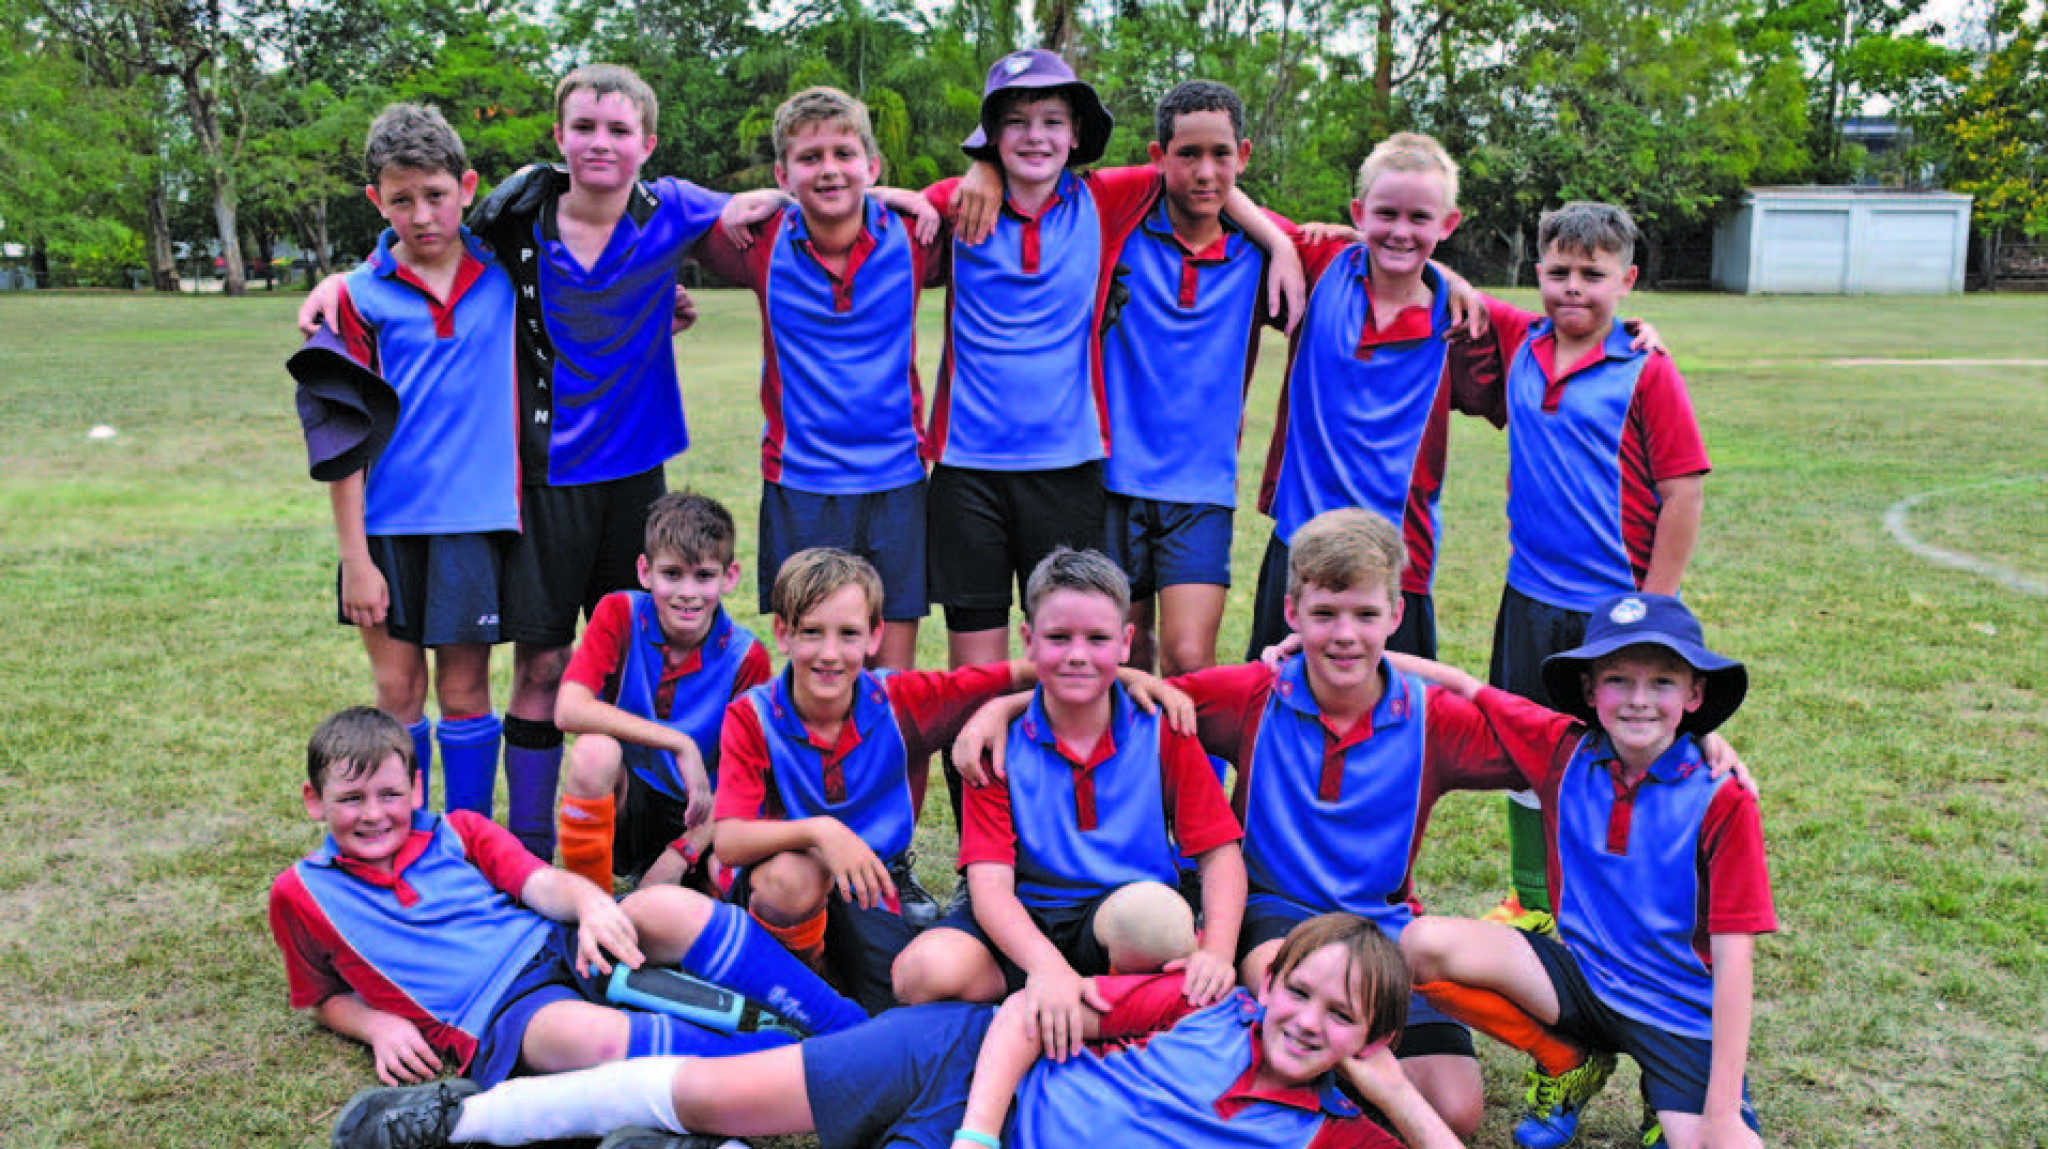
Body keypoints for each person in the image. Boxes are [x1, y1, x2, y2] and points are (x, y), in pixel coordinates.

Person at [299, 65, 787, 861]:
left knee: (642, 646)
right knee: (544, 661)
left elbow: (795, 195)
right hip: (542, 479)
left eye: (619, 130)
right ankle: (515, 848)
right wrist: (341, 278)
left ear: (648, 144)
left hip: (636, 477)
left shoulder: (673, 210)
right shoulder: (514, 221)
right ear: (558, 139)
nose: (601, 143)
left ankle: (643, 812)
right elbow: (423, 229)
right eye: (584, 128)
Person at [328, 913, 1463, 1149]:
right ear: (1269, 987)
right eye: (1299, 994)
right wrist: (975, 1133)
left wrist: (1401, 1098)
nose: (1305, 1021)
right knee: (730, 1091)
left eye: (1340, 1018)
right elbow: (1024, 1010)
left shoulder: (1325, 1134)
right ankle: (453, 1119)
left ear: (1367, 1038)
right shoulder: (1207, 1006)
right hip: (958, 1063)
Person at [268, 707, 868, 1093]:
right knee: (589, 1038)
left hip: (553, 942)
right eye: (351, 799)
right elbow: (318, 996)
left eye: (390, 794)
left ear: (417, 787)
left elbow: (542, 884)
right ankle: (790, 1066)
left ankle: (853, 1029)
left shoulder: (458, 831)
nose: (373, 814)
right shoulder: (301, 894)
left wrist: (591, 907)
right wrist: (376, 1026)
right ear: (314, 800)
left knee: (662, 909)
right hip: (497, 1015)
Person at [716, 547, 1189, 1013]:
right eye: (812, 633)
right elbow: (730, 840)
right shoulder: (752, 716)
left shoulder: (902, 699)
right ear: (782, 633)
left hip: (875, 885)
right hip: (786, 884)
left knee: (902, 1000)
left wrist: (1123, 676)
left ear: (876, 634)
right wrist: (820, 832)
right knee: (791, 877)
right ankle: (800, 989)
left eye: (848, 634)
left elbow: (1031, 672)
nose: (830, 653)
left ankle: (834, 984)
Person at [1398, 593, 1770, 1149]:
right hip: (1582, 975)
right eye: (1618, 679)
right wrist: (1316, 646)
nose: (1638, 700)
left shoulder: (1723, 797)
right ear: (1590, 690)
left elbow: (1736, 964)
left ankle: (1672, 1094)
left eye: (1663, 683)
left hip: (1677, 1010)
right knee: (1420, 943)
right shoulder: (1561, 750)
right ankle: (1567, 1058)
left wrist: (1721, 1114)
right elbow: (1463, 685)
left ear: (1695, 694)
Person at [1456, 202, 1711, 934]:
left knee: (1628, 750)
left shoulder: (1646, 369)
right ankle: (1533, 898)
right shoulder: (1518, 341)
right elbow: (1422, 264)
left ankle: (1636, 897)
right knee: (1528, 745)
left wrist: (1653, 610)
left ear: (1626, 280)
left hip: (1615, 607)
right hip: (1530, 595)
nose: (1573, 287)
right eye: (1559, 271)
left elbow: (1682, 492)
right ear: (1536, 272)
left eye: (1593, 274)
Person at [889, 548, 1247, 1060]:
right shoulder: (993, 742)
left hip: (1118, 919)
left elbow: (1219, 852)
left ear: (1126, 643)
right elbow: (990, 889)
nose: (1077, 654)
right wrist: (1045, 967)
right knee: (921, 972)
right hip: (1024, 919)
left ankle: (1099, 1028)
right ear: (1029, 642)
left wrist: (1217, 951)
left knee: (1156, 921)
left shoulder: (1162, 728)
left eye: (1097, 639)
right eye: (1058, 638)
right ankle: (1030, 1022)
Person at [308, 103, 517, 818]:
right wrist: (354, 557)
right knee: (398, 692)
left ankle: (467, 841)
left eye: (436, 194)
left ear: (466, 185)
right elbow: (339, 440)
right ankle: (408, 837)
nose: (423, 215)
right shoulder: (357, 298)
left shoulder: (505, 276)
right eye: (402, 200)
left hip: (476, 525)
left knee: (465, 693)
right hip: (386, 529)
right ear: (376, 202)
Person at [691, 87, 944, 671]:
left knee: (890, 679)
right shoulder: (758, 238)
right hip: (800, 481)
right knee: (815, 671)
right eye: (810, 159)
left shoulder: (915, 235)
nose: (829, 170)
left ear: (872, 165)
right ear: (783, 173)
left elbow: (994, 194)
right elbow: (655, 208)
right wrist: (731, 202)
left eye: (845, 155)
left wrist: (898, 197)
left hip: (897, 480)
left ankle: (890, 768)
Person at [1246, 132, 1492, 664]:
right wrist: (1283, 244)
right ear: (1358, 212)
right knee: (1271, 716)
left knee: (1392, 732)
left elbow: (1565, 332)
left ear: (1448, 224)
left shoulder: (1464, 319)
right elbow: (1220, 187)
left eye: (1420, 218)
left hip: (1396, 564)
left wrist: (1636, 331)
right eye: (1385, 214)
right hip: (1298, 547)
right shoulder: (1320, 264)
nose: (1400, 231)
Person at [553, 493, 769, 894]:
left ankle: (695, 919)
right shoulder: (619, 612)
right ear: (645, 571)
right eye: (672, 574)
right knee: (593, 753)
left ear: (730, 576)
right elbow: (568, 709)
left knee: (727, 875)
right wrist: (679, 743)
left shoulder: (747, 657)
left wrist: (681, 854)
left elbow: (745, 781)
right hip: (629, 800)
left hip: (699, 816)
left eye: (703, 576)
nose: (687, 592)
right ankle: (589, 906)